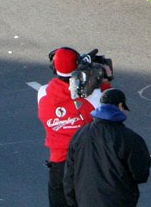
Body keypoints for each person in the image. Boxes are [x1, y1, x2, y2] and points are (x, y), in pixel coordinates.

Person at [39, 47, 107, 207]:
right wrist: (104, 82)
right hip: (85, 163)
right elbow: (111, 106)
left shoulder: (42, 94)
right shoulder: (93, 97)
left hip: (58, 166)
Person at [62, 88, 151, 207]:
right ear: (120, 106)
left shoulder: (80, 135)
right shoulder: (129, 138)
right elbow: (140, 174)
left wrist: (73, 203)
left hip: (85, 201)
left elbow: (69, 176)